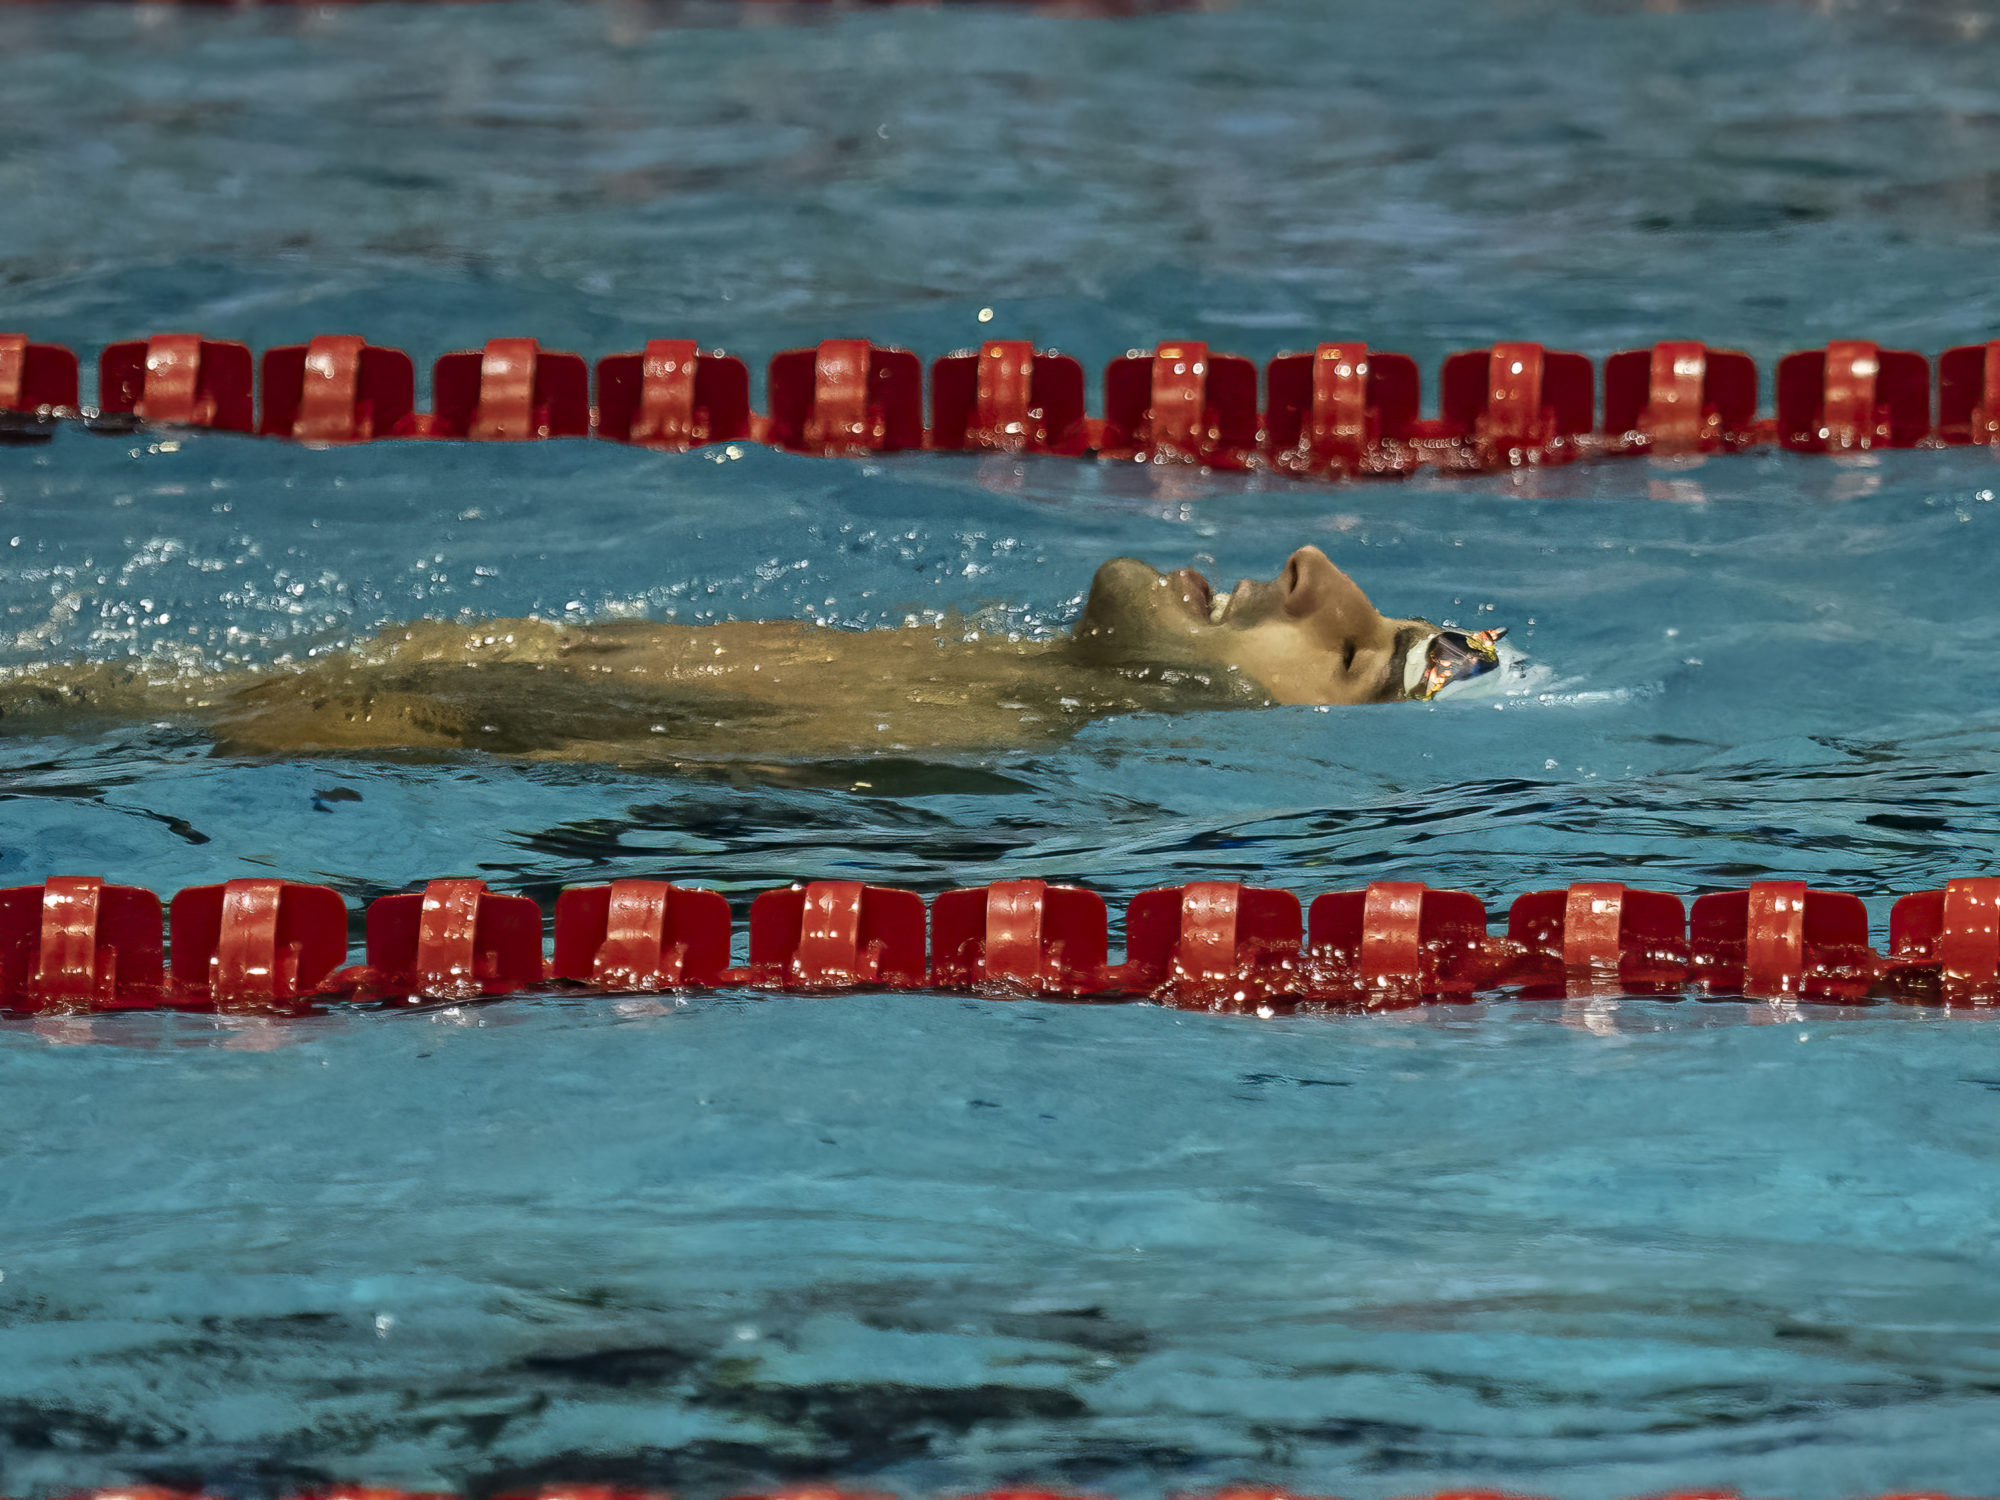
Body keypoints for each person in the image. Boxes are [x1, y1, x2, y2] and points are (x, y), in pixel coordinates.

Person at [0, 545, 1505, 764]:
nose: (1318, 575)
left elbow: (536, 753)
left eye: (1357, 656)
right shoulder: (964, 654)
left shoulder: (961, 747)